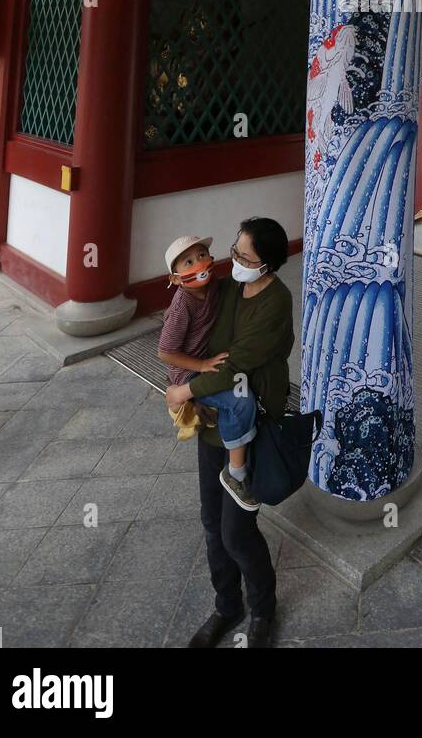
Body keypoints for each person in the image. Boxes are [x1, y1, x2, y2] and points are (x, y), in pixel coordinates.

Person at [166, 217, 294, 650]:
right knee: (210, 523)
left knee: (237, 532)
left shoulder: (276, 301)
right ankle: (227, 606)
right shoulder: (228, 290)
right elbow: (200, 343)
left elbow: (237, 360)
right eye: (235, 251)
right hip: (213, 422)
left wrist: (186, 389)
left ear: (268, 264)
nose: (233, 261)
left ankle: (262, 611)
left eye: (245, 256)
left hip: (251, 424)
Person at [158, 235, 260, 508]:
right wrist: (201, 366)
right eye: (189, 262)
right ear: (177, 278)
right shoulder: (182, 304)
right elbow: (165, 351)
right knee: (241, 402)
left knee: (233, 401)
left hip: (209, 364)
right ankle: (235, 473)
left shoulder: (213, 286)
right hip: (189, 372)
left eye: (202, 255)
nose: (199, 263)